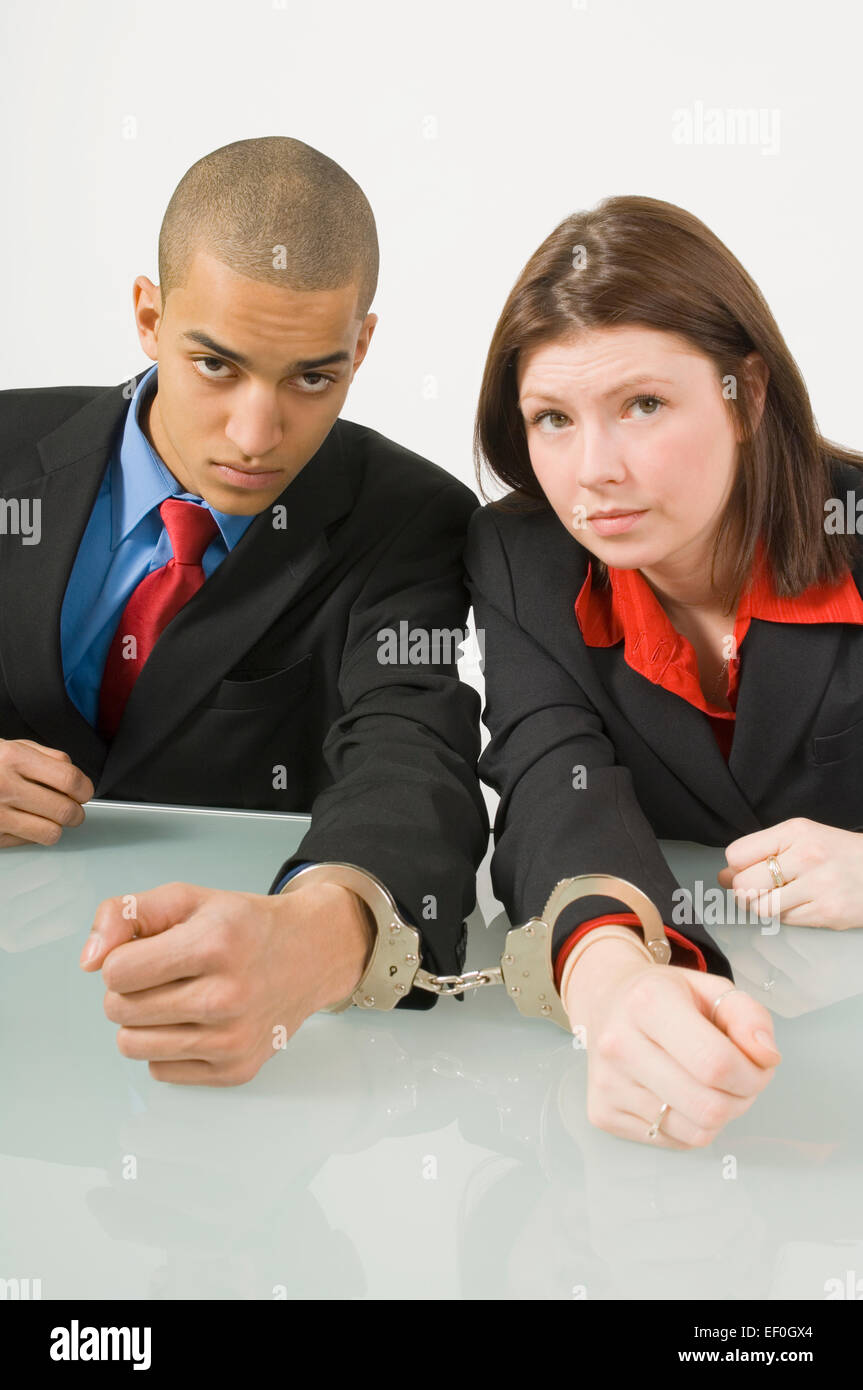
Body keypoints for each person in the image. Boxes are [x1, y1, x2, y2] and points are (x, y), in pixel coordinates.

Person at [0, 136, 488, 1085]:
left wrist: (315, 934)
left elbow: (410, 750)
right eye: (216, 366)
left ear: (364, 346)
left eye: (314, 376)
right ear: (148, 315)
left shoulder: (407, 519)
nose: (256, 437)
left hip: (245, 1047)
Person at [465, 193, 863, 1148]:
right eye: (552, 418)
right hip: (706, 1056)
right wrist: (612, 979)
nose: (592, 469)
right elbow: (551, 775)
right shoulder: (521, 555)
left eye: (642, 405)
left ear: (747, 396)